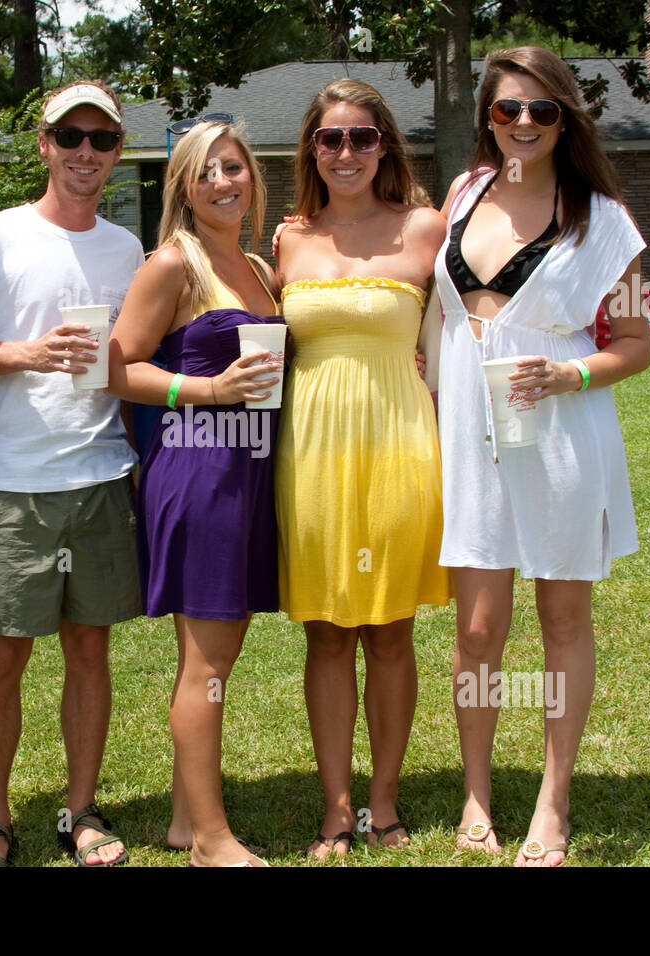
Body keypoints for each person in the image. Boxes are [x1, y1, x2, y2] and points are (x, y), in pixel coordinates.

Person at [435, 46, 650, 866]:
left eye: (541, 110)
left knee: (562, 618)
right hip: (471, 435)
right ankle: (477, 791)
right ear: (487, 117)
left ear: (567, 118)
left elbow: (635, 345)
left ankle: (553, 804)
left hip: (560, 433)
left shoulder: (604, 220)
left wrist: (567, 372)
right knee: (478, 626)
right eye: (505, 109)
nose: (522, 123)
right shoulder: (464, 194)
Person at [0, 80, 143, 867]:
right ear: (44, 145)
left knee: (89, 650)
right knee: (5, 654)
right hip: (14, 481)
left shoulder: (127, 248)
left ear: (117, 153)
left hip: (100, 476)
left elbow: (130, 365)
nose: (85, 153)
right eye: (71, 137)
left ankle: (81, 810)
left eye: (101, 139)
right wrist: (28, 354)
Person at [275, 78, 453, 859]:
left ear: (385, 144)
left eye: (362, 136)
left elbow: (460, 341)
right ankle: (335, 807)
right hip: (309, 451)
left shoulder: (425, 227)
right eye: (330, 137)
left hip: (398, 444)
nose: (346, 151)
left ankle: (384, 802)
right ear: (311, 147)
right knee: (324, 634)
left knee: (388, 631)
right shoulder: (286, 239)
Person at [108, 120, 282, 867]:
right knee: (209, 664)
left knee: (206, 659)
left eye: (233, 167)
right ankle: (211, 842)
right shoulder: (171, 266)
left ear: (252, 178)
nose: (222, 181)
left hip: (252, 472)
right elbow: (117, 369)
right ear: (182, 185)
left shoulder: (256, 268)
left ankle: (185, 818)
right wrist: (205, 388)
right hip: (198, 471)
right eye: (205, 171)